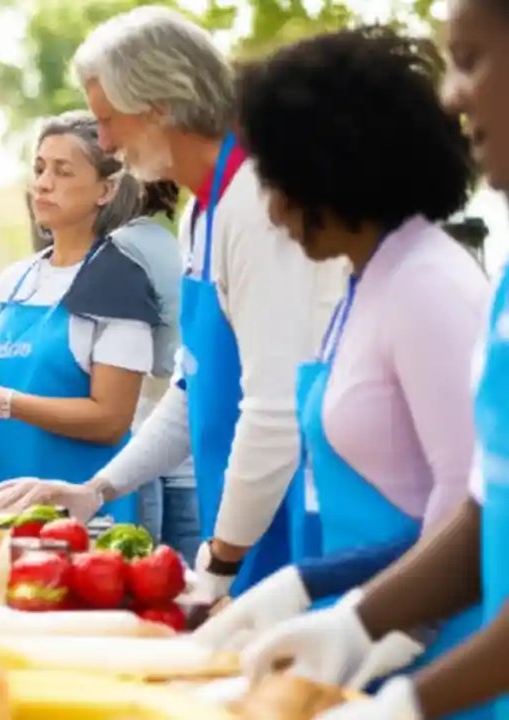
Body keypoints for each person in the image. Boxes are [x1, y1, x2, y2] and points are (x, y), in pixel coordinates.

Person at [188, 33, 488, 713]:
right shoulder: (364, 283)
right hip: (366, 630)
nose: (270, 210)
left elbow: (465, 495)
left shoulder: (426, 286)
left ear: (332, 165)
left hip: (436, 654)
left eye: (276, 180)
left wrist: (387, 632)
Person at [7, 7, 344, 604]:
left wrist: (217, 563)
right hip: (238, 527)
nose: (104, 142)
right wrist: (99, 488)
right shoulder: (201, 214)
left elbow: (273, 410)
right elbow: (192, 389)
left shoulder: (259, 206)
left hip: (290, 531)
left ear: (159, 106)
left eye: (109, 121)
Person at [0, 112, 179, 525]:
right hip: (15, 518)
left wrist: (8, 403)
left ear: (105, 190)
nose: (42, 183)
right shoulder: (14, 282)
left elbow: (111, 420)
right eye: (40, 168)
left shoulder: (121, 284)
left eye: (63, 172)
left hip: (94, 522)